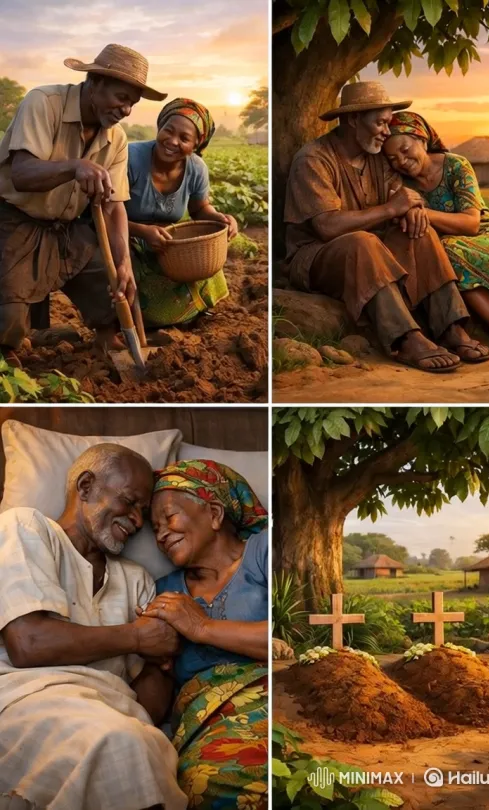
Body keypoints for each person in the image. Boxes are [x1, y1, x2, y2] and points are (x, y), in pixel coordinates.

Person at [0, 444, 188, 810]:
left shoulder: (137, 580)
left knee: (138, 741)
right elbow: (28, 642)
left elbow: (149, 704)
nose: (137, 522)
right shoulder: (25, 527)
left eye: (143, 512)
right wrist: (138, 636)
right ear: (85, 486)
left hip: (114, 716)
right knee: (119, 742)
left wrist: (160, 661)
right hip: (27, 701)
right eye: (129, 502)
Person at [284, 81, 489, 372]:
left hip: (373, 250)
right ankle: (405, 338)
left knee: (421, 233)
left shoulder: (378, 159)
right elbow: (326, 227)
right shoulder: (313, 159)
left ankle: (450, 327)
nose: (386, 131)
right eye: (380, 123)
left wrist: (413, 210)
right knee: (362, 241)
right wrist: (391, 209)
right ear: (353, 119)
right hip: (316, 257)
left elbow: (402, 199)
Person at [0, 44, 167, 366]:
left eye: (132, 104)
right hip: (14, 220)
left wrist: (123, 263)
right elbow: (22, 174)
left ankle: (106, 335)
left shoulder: (116, 139)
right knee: (8, 322)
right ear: (94, 82)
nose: (126, 110)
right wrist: (74, 167)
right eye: (121, 98)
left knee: (112, 281)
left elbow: (114, 206)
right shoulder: (43, 103)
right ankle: (8, 349)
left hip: (66, 229)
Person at [140, 460, 269, 810]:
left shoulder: (264, 552)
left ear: (214, 514)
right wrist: (151, 656)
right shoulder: (161, 592)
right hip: (210, 724)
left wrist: (201, 628)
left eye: (169, 518)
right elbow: (153, 702)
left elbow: (296, 635)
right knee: (212, 785)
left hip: (274, 700)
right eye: (154, 528)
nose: (161, 535)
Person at [384, 111, 489, 348]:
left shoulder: (456, 165)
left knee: (456, 250)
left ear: (422, 140)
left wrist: (425, 214)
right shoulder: (402, 184)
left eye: (405, 150)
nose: (401, 161)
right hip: (444, 243)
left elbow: (471, 223)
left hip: (485, 232)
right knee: (445, 254)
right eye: (393, 158)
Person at [126, 99, 238, 327]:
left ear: (196, 145)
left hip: (166, 243)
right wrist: (143, 231)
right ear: (160, 127)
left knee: (204, 260)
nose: (172, 141)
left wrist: (220, 219)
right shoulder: (131, 158)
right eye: (168, 130)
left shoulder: (196, 168)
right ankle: (143, 320)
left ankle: (188, 314)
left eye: (184, 138)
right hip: (125, 236)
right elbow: (107, 213)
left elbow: (199, 209)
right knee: (127, 276)